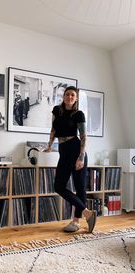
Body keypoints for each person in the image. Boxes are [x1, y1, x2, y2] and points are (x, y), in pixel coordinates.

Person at [44, 86, 97, 233]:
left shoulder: (78, 114)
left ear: (76, 98)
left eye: (73, 95)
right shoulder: (57, 110)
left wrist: (81, 157)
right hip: (63, 150)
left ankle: (76, 222)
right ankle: (88, 213)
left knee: (79, 187)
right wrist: (49, 146)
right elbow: (53, 130)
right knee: (59, 186)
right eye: (67, 94)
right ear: (64, 96)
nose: (69, 97)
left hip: (76, 149)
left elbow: (84, 136)